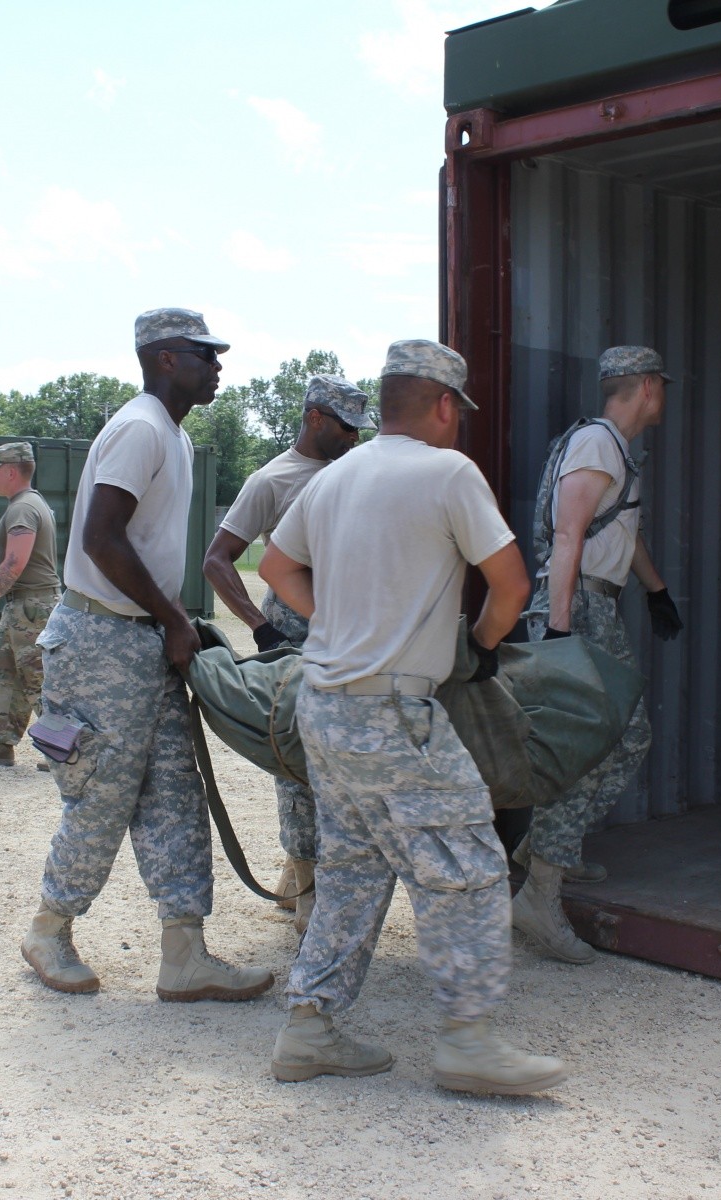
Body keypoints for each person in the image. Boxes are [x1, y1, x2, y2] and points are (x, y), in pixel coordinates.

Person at [259, 339, 568, 1095]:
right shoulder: (448, 473)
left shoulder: (336, 477)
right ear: (443, 405)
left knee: (352, 871)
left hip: (324, 705)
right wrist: (481, 647)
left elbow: (274, 567)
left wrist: (337, 622)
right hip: (394, 711)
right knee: (469, 866)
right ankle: (468, 1041)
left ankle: (309, 1028)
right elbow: (510, 585)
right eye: (458, 411)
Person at [19, 307, 273, 1005]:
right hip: (101, 639)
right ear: (165, 358)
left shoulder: (172, 434)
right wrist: (172, 616)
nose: (217, 367)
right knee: (102, 793)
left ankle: (184, 954)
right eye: (204, 354)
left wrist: (169, 623)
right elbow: (101, 539)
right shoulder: (140, 428)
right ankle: (49, 930)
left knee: (173, 790)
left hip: (141, 638)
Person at [510, 345, 683, 964]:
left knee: (619, 738)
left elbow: (617, 531)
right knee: (601, 743)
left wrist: (656, 591)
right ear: (647, 387)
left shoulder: (611, 448)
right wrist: (560, 632)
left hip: (591, 603)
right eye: (662, 385)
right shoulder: (597, 444)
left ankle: (545, 850)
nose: (664, 395)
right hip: (577, 606)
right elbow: (568, 534)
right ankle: (541, 888)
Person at [201, 374, 373, 932]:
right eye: (346, 426)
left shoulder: (356, 470)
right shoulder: (271, 480)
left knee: (344, 759)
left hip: (349, 633)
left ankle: (297, 878)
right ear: (315, 418)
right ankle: (307, 891)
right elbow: (217, 560)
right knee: (300, 762)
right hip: (295, 637)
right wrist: (260, 628)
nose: (354, 437)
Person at [0, 441, 62, 769]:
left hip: (31, 607)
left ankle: (62, 752)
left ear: (12, 472)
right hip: (24, 605)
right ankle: (0, 744)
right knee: (8, 675)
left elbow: (15, 561)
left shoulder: (23, 508)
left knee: (38, 679)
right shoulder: (28, 503)